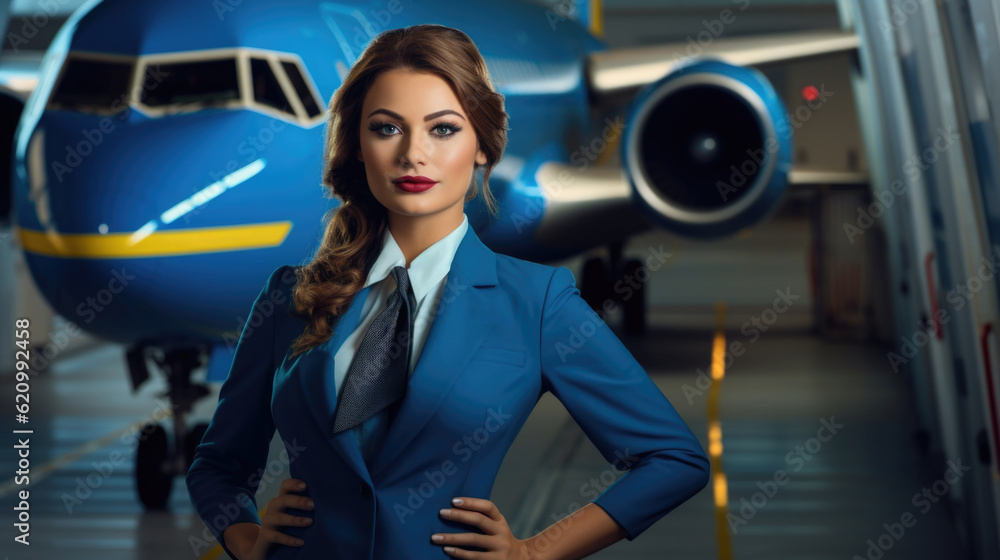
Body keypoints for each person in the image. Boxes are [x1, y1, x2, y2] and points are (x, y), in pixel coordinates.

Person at [186, 23, 709, 560]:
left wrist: (537, 552)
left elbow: (673, 459)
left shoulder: (536, 302)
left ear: (482, 146)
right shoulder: (289, 298)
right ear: (358, 146)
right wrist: (246, 540)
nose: (414, 153)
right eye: (387, 128)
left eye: (443, 130)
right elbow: (218, 466)